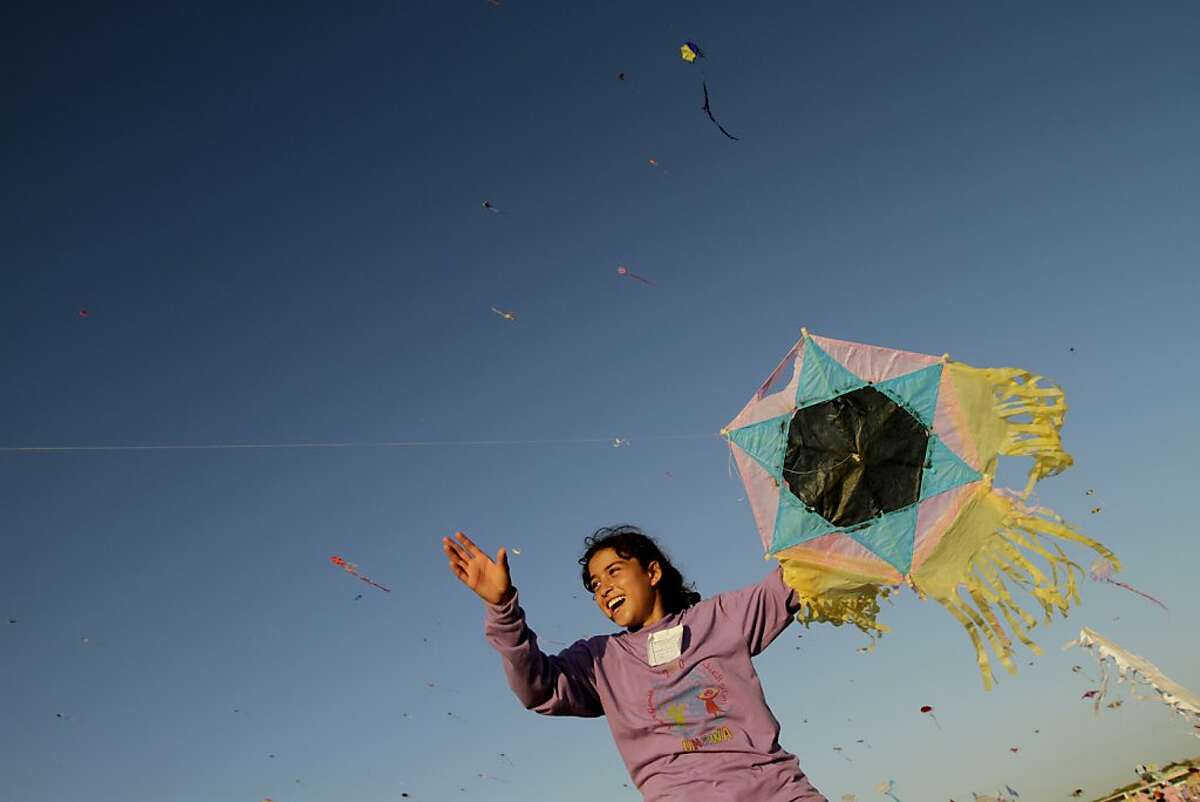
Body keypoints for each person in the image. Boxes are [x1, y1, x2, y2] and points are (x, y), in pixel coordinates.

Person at [441, 524, 828, 802]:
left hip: (779, 790)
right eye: (594, 584)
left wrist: (827, 507)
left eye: (614, 571)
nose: (604, 587)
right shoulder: (599, 659)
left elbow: (796, 575)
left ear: (653, 572)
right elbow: (536, 688)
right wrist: (501, 606)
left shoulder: (720, 617)